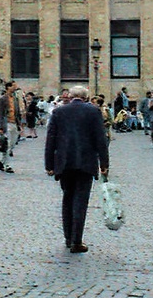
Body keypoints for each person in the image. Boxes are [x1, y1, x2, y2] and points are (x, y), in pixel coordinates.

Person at [44, 85, 109, 254]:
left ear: (69, 96)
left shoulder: (59, 112)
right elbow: (100, 139)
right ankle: (76, 240)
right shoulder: (94, 112)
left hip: (64, 162)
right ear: (86, 97)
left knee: (67, 199)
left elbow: (50, 139)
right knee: (81, 201)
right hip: (86, 162)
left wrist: (49, 164)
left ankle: (68, 237)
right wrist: (104, 163)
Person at [0, 83, 22, 174]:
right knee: (8, 144)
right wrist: (0, 127)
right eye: (13, 86)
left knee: (13, 144)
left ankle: (2, 162)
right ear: (8, 87)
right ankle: (7, 165)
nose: (15, 87)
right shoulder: (2, 99)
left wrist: (19, 125)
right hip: (7, 123)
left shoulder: (15, 99)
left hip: (14, 123)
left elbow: (17, 113)